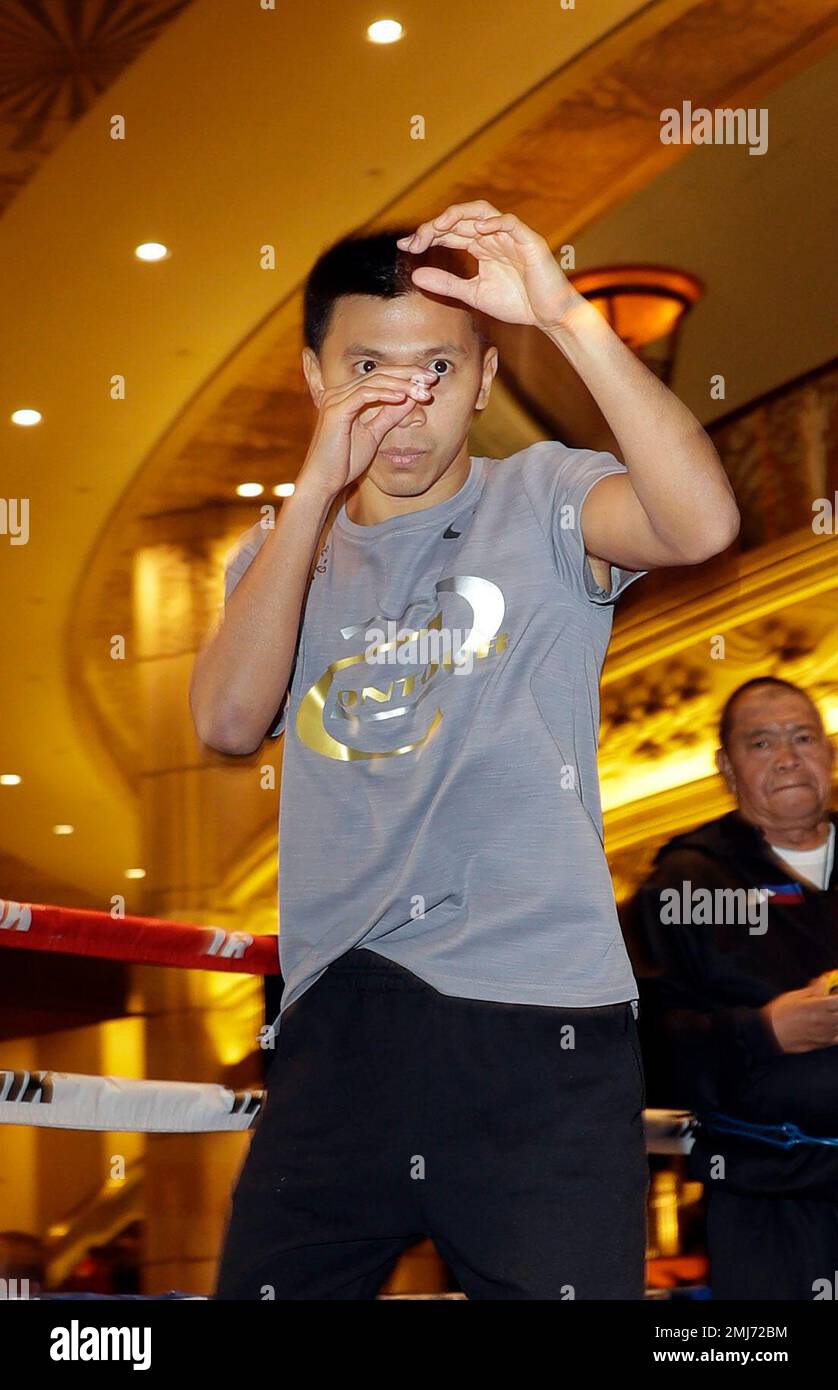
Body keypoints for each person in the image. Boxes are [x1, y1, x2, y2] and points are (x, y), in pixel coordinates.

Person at [190, 200, 739, 1300]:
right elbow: (224, 720)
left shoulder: (543, 496)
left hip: (541, 1028)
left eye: (438, 367)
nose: (405, 405)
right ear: (313, 377)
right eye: (367, 371)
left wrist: (567, 318)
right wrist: (309, 496)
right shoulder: (281, 552)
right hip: (339, 1022)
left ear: (485, 378)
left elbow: (700, 527)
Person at [630, 677, 838, 1300]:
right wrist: (763, 1032)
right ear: (726, 767)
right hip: (770, 1196)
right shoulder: (687, 882)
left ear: (829, 751)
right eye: (760, 742)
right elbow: (638, 1046)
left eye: (803, 737)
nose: (786, 756)